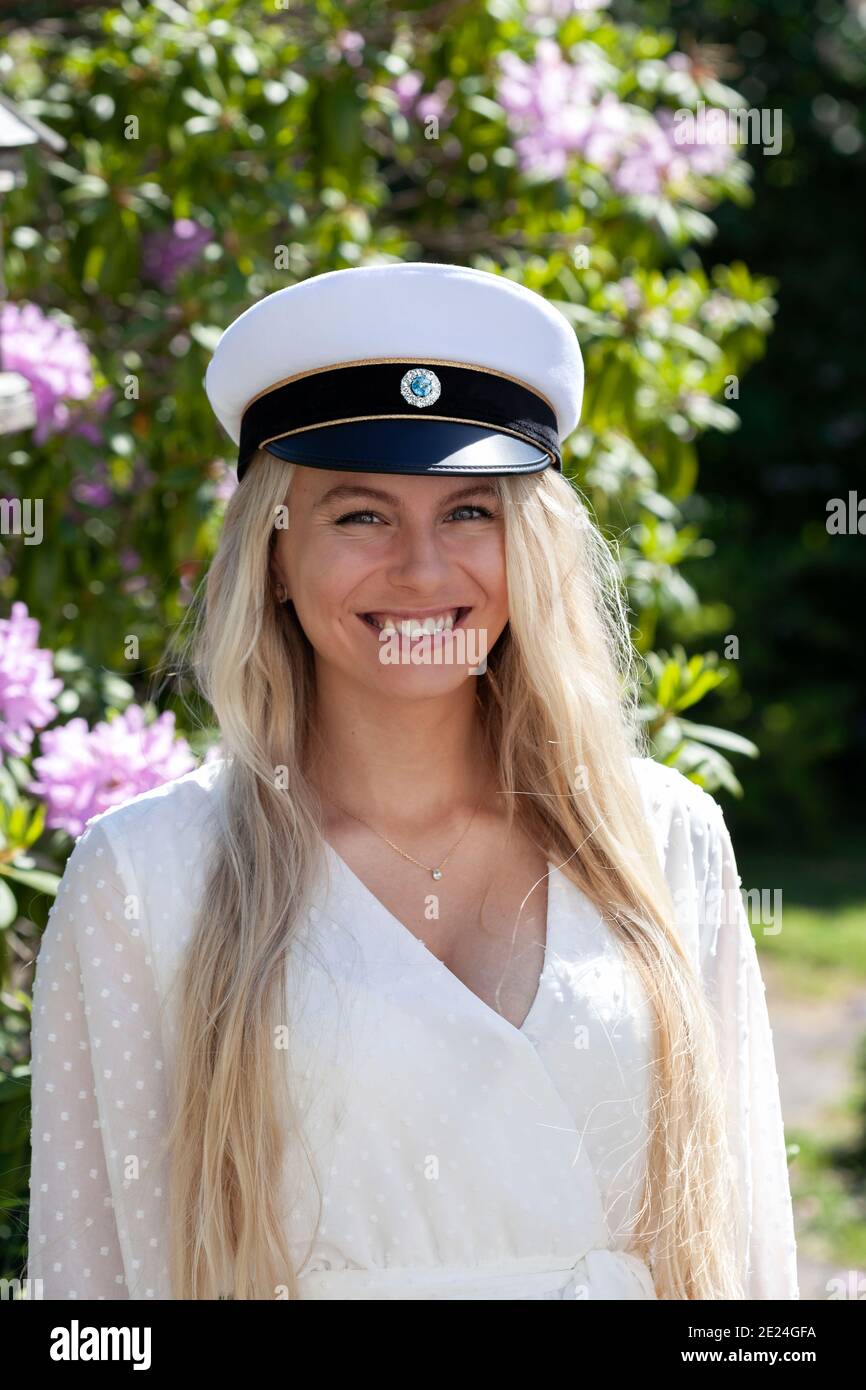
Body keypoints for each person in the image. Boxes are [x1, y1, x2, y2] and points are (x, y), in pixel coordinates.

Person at [26, 262, 798, 1300]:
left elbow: (743, 1250)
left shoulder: (664, 836)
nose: (423, 571)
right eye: (360, 516)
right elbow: (94, 1284)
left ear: (530, 547)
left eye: (469, 513)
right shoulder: (147, 875)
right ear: (275, 554)